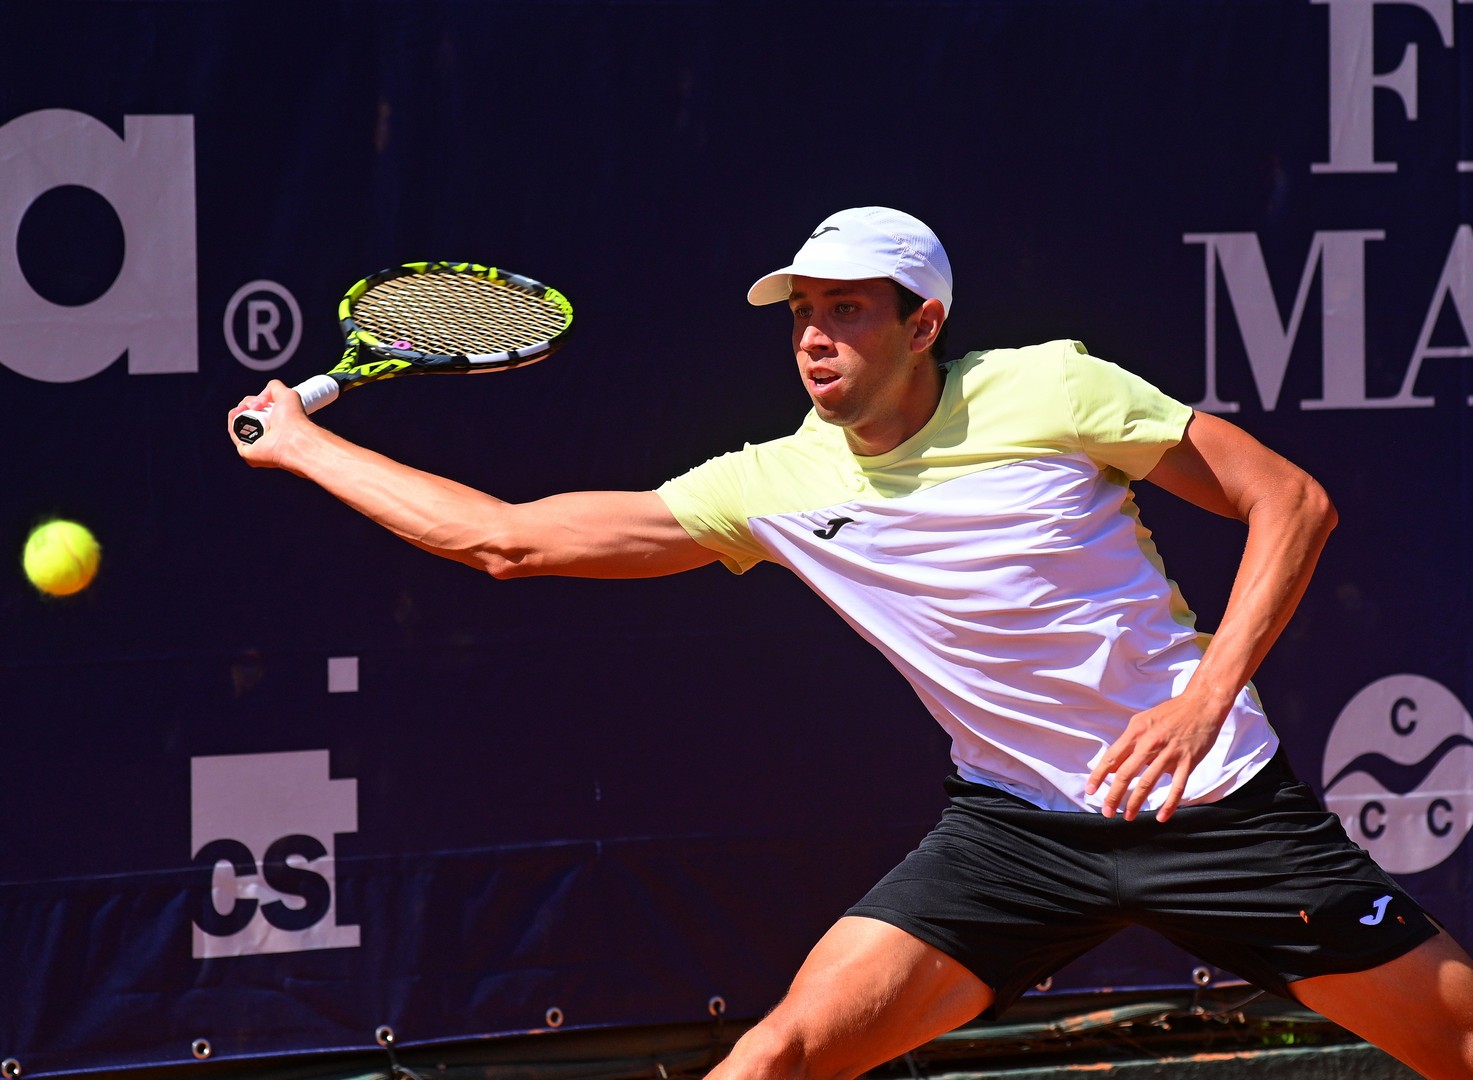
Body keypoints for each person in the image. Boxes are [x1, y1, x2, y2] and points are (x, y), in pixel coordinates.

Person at [230, 207, 1473, 1079]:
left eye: (847, 311)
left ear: (924, 322)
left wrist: (1206, 697)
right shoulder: (773, 483)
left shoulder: (1052, 390)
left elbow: (1290, 501)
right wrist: (304, 445)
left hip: (1215, 814)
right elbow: (507, 541)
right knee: (777, 1055)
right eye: (802, 314)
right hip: (1016, 837)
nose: (815, 336)